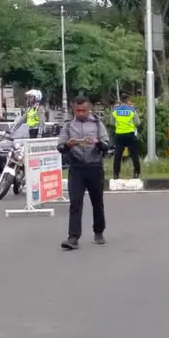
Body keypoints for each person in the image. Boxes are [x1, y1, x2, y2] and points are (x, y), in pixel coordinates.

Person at [59, 99, 110, 248]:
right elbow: (60, 146)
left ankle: (99, 232)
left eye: (84, 110)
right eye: (77, 111)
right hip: (76, 168)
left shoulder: (97, 124)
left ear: (89, 109)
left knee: (97, 202)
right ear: (73, 110)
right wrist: (67, 145)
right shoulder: (68, 126)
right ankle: (73, 237)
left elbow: (106, 145)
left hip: (95, 167)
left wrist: (97, 142)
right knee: (75, 203)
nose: (81, 113)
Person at [109, 96, 141, 179]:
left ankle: (116, 174)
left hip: (119, 135)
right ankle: (136, 173)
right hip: (130, 134)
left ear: (121, 101)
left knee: (117, 155)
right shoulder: (132, 110)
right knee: (134, 155)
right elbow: (138, 122)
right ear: (128, 101)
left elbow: (111, 122)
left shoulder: (115, 110)